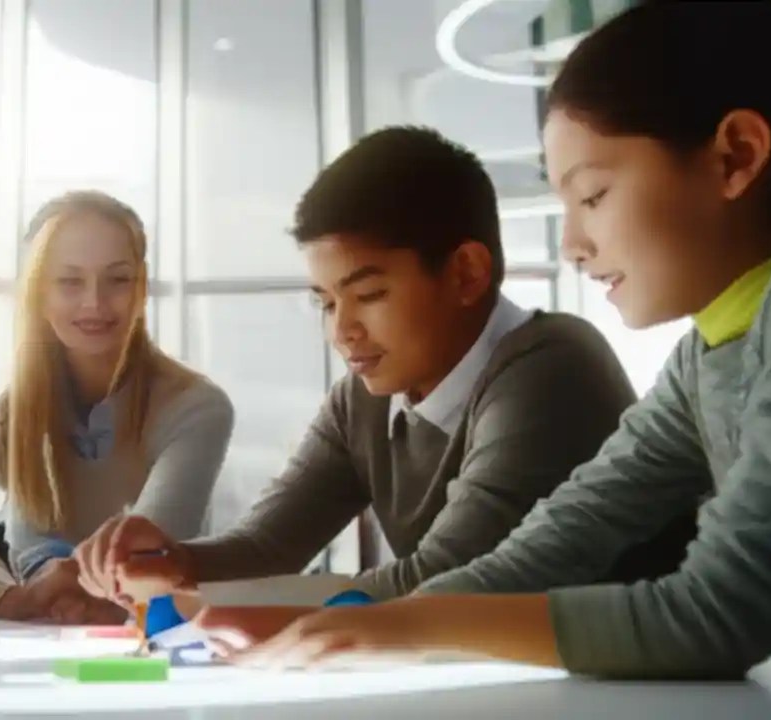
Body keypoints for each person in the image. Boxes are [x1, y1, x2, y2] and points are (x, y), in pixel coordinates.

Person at [210, 0, 771, 679]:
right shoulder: (708, 351)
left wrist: (408, 625)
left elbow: (714, 614)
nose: (574, 245)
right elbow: (565, 531)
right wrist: (365, 623)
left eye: (594, 196)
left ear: (736, 156)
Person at [76, 125, 686, 610]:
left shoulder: (552, 368)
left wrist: (229, 612)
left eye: (368, 295)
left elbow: (444, 579)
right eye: (325, 301)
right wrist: (173, 562)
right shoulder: (363, 399)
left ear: (467, 274)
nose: (342, 330)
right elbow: (267, 544)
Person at [0, 191, 234, 623]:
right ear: (38, 293)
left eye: (117, 279)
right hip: (42, 611)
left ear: (142, 288)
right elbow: (29, 546)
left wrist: (64, 582)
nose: (94, 303)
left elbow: (149, 549)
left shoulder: (199, 408)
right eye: (69, 281)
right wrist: (52, 582)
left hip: (151, 619)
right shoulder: (19, 406)